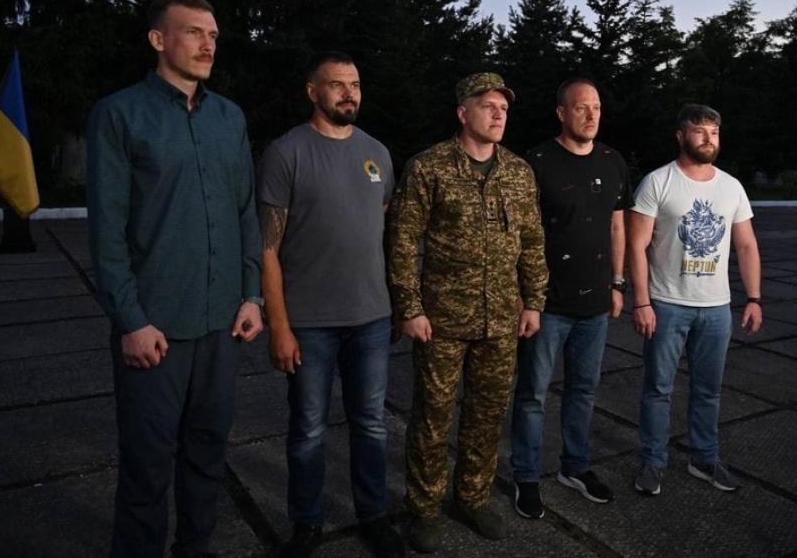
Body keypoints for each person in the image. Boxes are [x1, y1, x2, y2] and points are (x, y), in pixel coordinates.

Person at [87, 0, 263, 558]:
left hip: (220, 324)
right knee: (146, 467)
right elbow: (107, 232)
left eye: (213, 34)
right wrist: (130, 320)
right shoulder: (119, 114)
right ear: (159, 39)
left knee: (208, 455)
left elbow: (244, 212)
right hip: (155, 329)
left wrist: (252, 294)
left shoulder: (230, 116)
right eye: (193, 32)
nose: (208, 43)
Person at [387, 72, 548, 553]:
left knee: (486, 416)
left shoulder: (518, 172)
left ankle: (472, 497)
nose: (499, 114)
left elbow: (533, 241)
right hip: (442, 320)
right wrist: (409, 307)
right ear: (463, 113)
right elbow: (402, 241)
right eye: (488, 106)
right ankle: (424, 508)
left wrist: (534, 299)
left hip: (500, 320)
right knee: (433, 418)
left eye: (504, 108)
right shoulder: (428, 168)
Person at [256, 51, 405, 558]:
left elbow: (382, 234)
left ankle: (374, 515)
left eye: (355, 84)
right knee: (309, 429)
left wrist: (397, 305)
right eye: (337, 84)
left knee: (371, 424)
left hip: (370, 318)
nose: (349, 94)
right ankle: (307, 524)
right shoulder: (286, 153)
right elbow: (267, 250)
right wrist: (279, 325)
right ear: (312, 91)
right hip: (310, 323)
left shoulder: (378, 153)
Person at [509, 78, 632, 519]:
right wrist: (529, 299)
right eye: (581, 107)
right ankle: (525, 475)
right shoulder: (536, 164)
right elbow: (522, 237)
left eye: (596, 106)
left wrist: (618, 283)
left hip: (595, 303)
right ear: (562, 113)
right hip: (547, 304)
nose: (592, 114)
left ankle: (575, 467)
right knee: (532, 394)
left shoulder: (613, 161)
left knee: (584, 390)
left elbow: (618, 227)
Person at [629, 104, 763, 496]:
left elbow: (746, 245)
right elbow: (636, 246)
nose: (709, 139)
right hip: (667, 304)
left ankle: (704, 458)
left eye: (715, 132)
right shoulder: (658, 182)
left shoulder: (731, 186)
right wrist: (641, 301)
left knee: (709, 390)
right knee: (659, 389)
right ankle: (653, 463)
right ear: (681, 136)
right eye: (700, 131)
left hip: (716, 308)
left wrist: (753, 297)